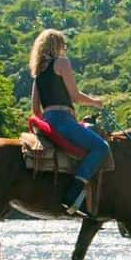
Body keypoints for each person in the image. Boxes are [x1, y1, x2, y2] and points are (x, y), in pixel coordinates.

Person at [28, 29, 109, 215]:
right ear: (56, 46)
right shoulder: (61, 63)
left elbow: (35, 110)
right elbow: (75, 96)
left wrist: (49, 126)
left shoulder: (38, 74)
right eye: (62, 46)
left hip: (48, 122)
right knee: (100, 147)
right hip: (64, 120)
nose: (64, 50)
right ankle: (73, 194)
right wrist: (96, 103)